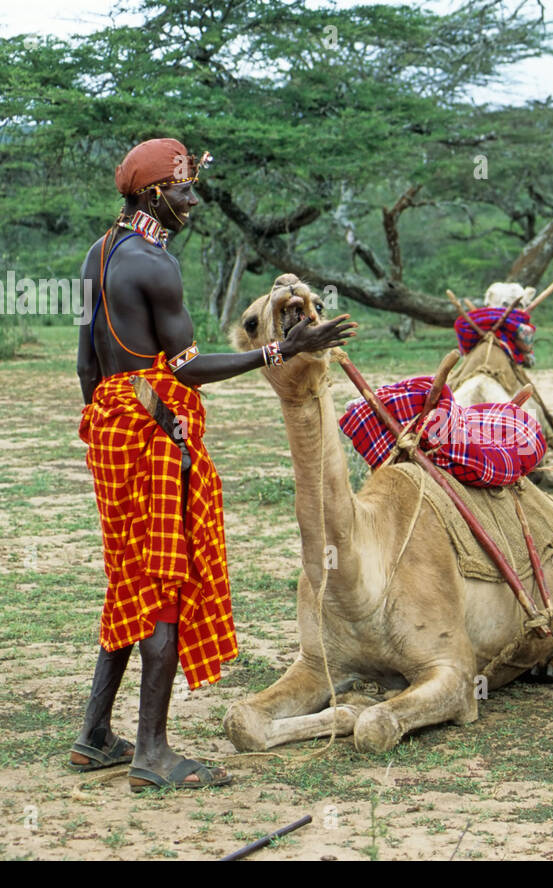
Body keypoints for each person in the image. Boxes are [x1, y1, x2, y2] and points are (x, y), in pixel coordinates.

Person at [71, 137, 355, 790]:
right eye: (182, 190)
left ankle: (93, 735)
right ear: (151, 195)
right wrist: (280, 350)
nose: (193, 201)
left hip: (111, 428)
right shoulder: (155, 265)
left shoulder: (97, 254)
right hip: (155, 434)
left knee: (129, 578)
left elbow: (88, 363)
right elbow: (188, 369)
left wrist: (107, 425)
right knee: (164, 589)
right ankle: (153, 753)